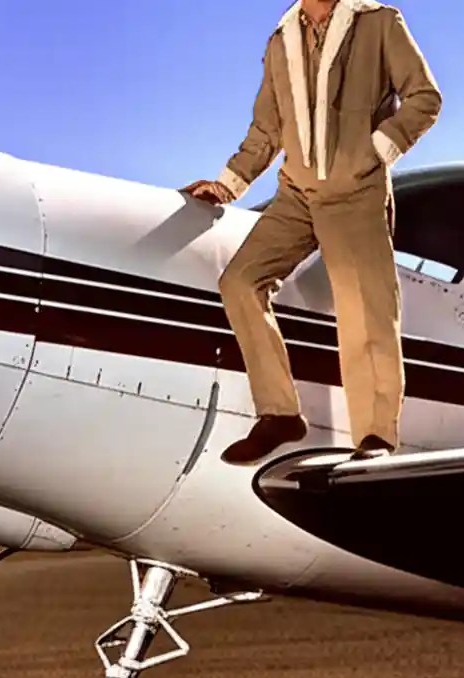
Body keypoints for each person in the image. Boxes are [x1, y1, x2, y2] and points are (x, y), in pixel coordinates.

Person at [182, 0, 441, 465]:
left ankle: (375, 438)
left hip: (355, 192)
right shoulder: (281, 41)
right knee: (240, 281)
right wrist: (227, 183)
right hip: (296, 193)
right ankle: (280, 415)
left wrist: (373, 152)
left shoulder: (378, 22)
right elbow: (267, 127)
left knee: (365, 312)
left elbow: (425, 97)